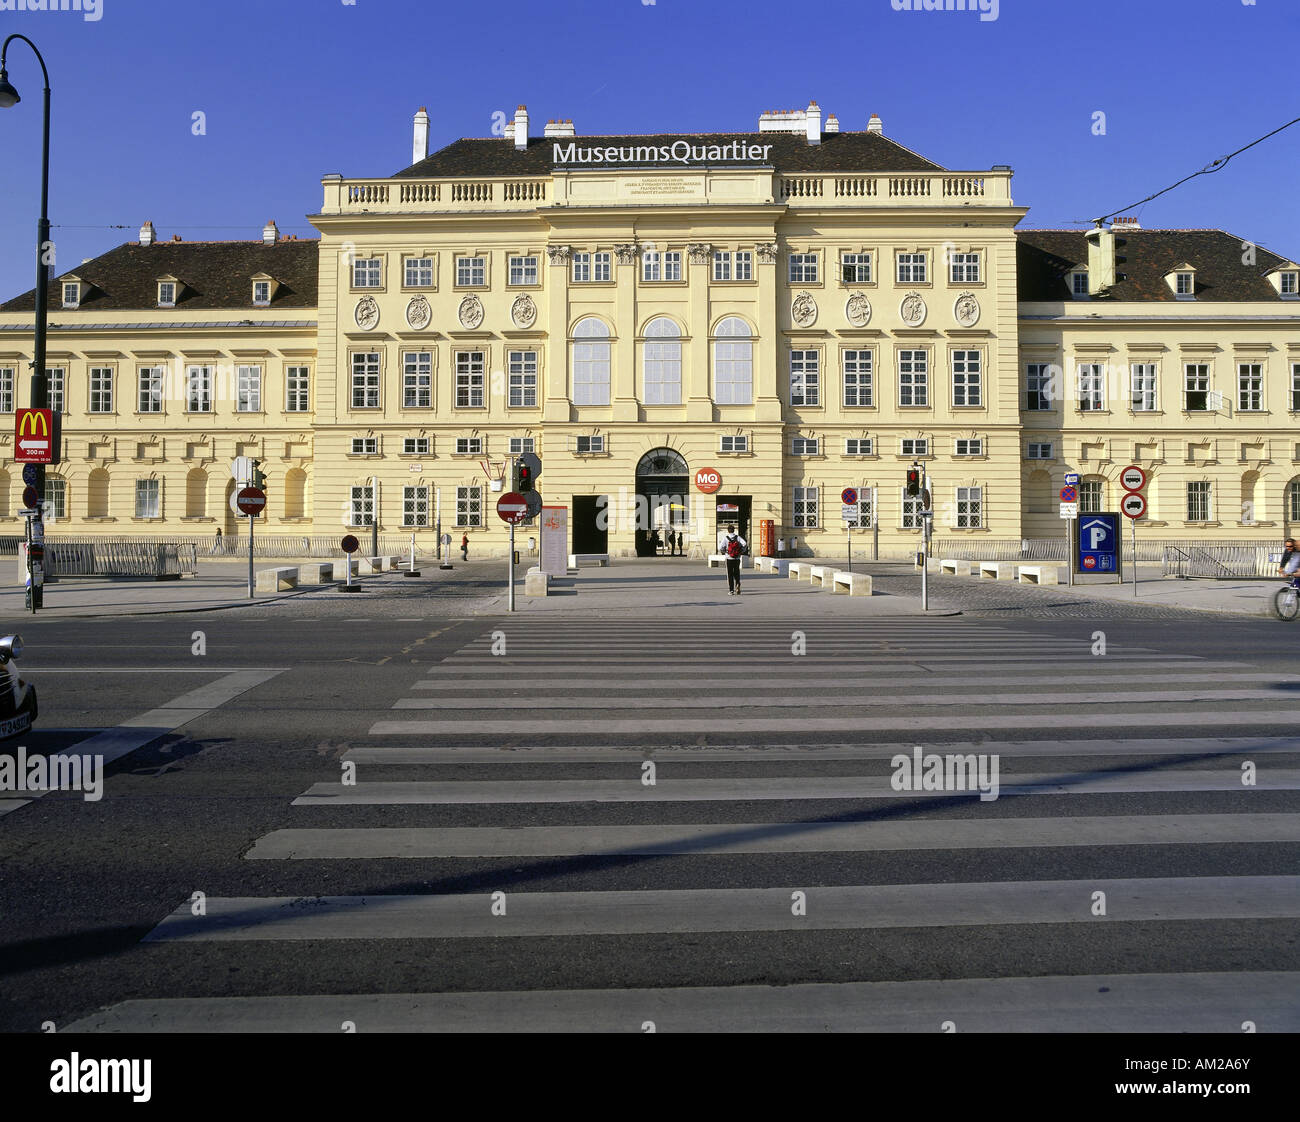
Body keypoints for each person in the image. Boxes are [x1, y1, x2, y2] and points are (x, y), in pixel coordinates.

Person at [722, 524, 747, 595]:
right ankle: (738, 584)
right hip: (737, 558)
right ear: (734, 530)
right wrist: (741, 551)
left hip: (729, 558)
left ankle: (731, 590)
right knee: (737, 572)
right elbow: (744, 544)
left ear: (728, 530)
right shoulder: (738, 537)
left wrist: (725, 551)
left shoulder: (726, 538)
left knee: (730, 574)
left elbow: (720, 547)